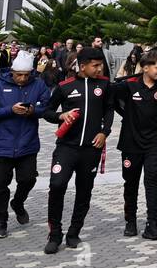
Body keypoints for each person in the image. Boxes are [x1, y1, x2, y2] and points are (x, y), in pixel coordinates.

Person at [41, 47, 113, 254]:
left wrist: (104, 132)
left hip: (91, 149)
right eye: (95, 66)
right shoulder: (65, 87)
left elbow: (109, 109)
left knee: (84, 190)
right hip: (66, 148)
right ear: (82, 66)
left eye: (101, 65)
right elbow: (47, 111)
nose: (100, 69)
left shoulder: (105, 85)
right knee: (57, 185)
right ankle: (54, 234)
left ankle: (74, 233)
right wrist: (60, 116)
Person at [110, 48, 157, 240]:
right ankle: (130, 221)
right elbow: (111, 96)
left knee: (152, 181)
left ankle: (152, 224)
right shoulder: (130, 85)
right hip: (131, 143)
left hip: (155, 144)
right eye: (156, 67)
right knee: (130, 183)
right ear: (145, 67)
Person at [0, 50, 52, 238]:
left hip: (28, 144)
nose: (22, 79)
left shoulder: (38, 85)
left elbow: (48, 107)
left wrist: (33, 111)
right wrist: (10, 110)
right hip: (2, 146)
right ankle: (0, 223)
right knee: (0, 188)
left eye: (26, 75)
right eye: (18, 75)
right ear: (12, 72)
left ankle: (18, 202)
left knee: (28, 179)